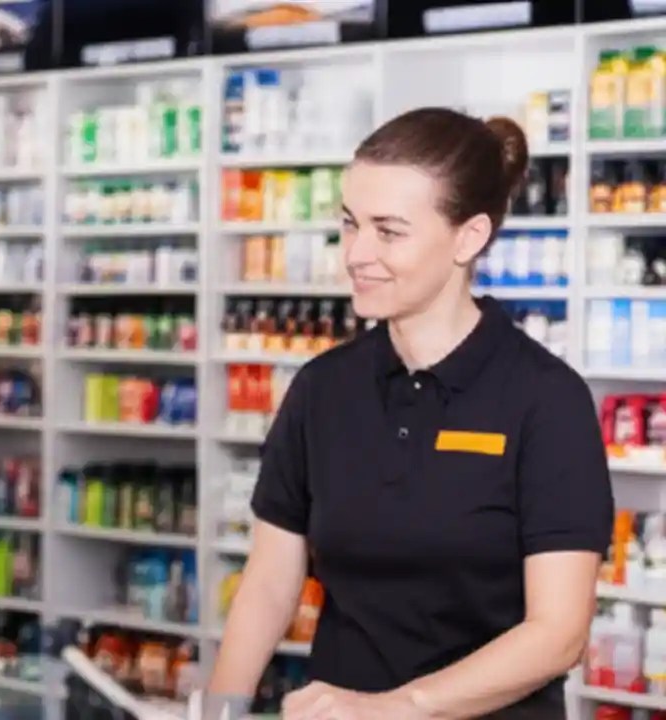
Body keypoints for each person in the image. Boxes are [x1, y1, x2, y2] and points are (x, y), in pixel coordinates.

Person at [208, 108, 613, 720]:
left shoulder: (546, 400)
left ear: (469, 237)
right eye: (350, 224)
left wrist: (393, 708)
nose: (356, 254)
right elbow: (268, 585)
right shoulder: (322, 389)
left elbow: (559, 635)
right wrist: (219, 712)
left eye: (389, 231)